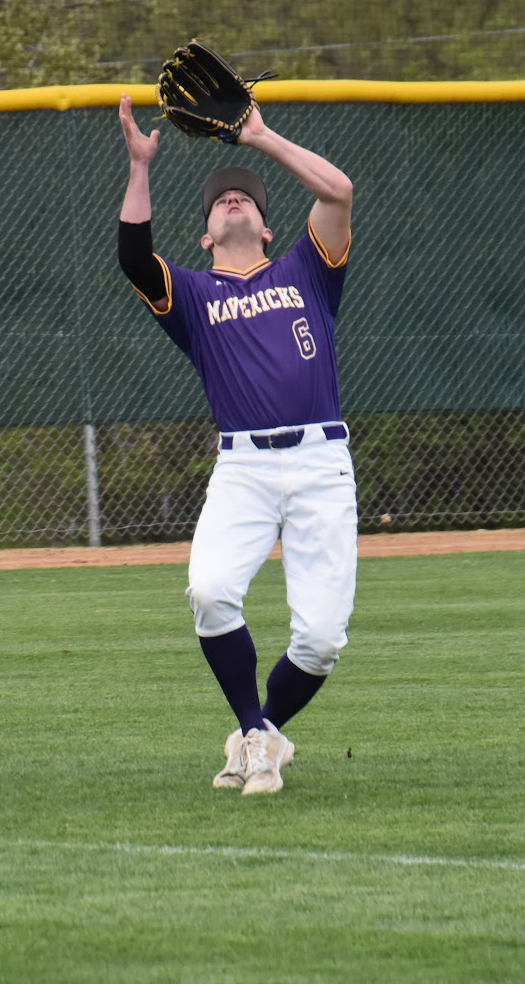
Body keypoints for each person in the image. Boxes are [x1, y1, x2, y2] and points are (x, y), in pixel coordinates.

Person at [116, 92, 358, 796]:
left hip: (319, 460)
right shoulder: (192, 297)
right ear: (204, 236)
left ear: (265, 220)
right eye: (219, 201)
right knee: (209, 589)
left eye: (242, 197)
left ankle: (258, 734)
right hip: (244, 465)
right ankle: (256, 735)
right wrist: (139, 168)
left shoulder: (305, 272)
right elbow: (134, 257)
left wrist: (258, 137)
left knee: (319, 641)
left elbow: (338, 190)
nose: (230, 201)